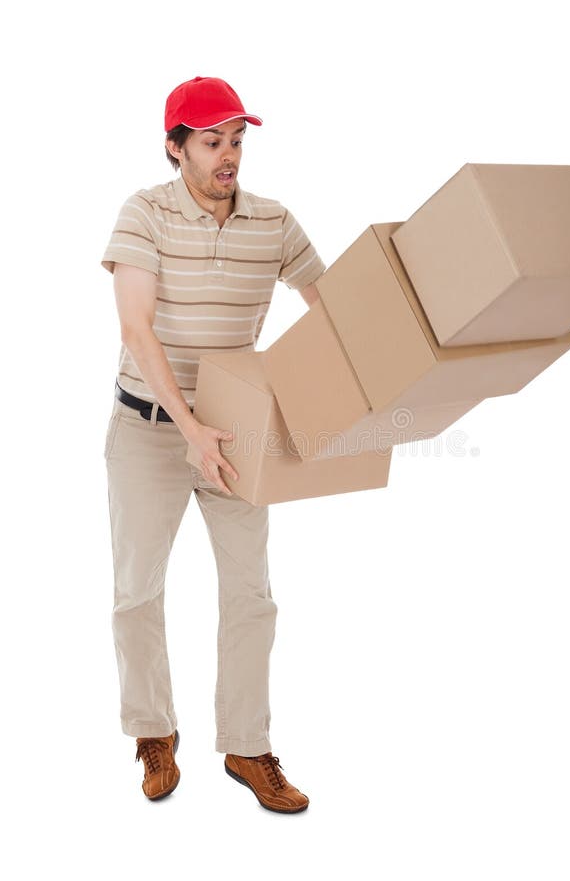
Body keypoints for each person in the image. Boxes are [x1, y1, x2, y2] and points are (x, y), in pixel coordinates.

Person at [101, 76, 325, 812]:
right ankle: (153, 733)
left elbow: (337, 304)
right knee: (137, 592)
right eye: (211, 141)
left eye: (237, 139)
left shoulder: (274, 221)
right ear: (176, 147)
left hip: (237, 433)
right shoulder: (145, 214)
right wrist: (190, 430)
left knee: (251, 596)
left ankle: (247, 746)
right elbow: (137, 326)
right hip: (150, 429)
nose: (228, 155)